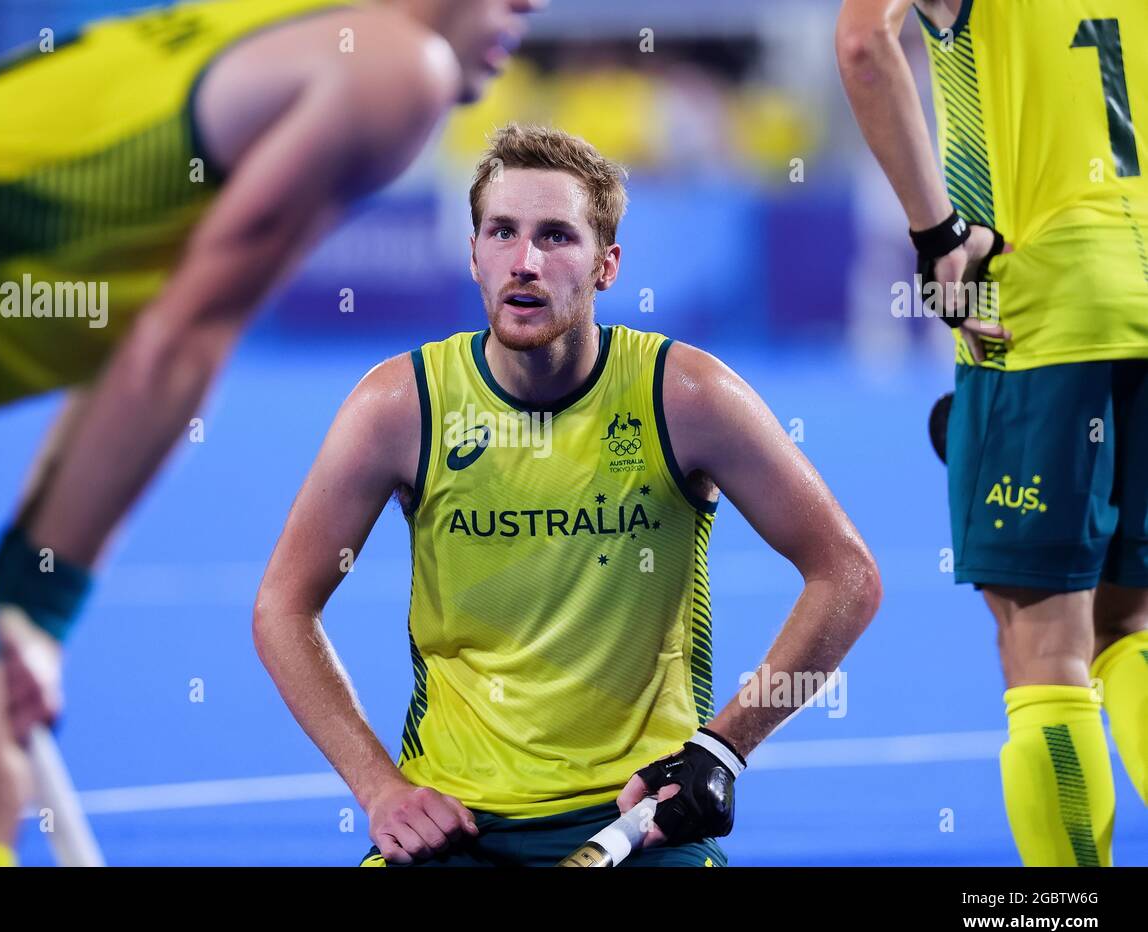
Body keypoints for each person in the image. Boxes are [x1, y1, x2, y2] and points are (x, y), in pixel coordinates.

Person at [0, 0, 544, 867]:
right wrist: (37, 608)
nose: (534, 2)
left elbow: (135, 357)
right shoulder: (394, 68)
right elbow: (182, 339)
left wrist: (28, 578)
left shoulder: (279, 26)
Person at [253, 124, 882, 866]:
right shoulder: (400, 406)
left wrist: (724, 748)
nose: (525, 262)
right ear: (474, 254)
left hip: (638, 820)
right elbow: (282, 607)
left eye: (557, 237)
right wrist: (380, 789)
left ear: (607, 265)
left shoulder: (685, 396)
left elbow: (848, 574)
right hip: (454, 823)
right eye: (502, 233)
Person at [837, 0, 1148, 865]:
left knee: (1045, 647)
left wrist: (938, 236)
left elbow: (865, 43)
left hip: (1044, 311)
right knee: (1128, 624)